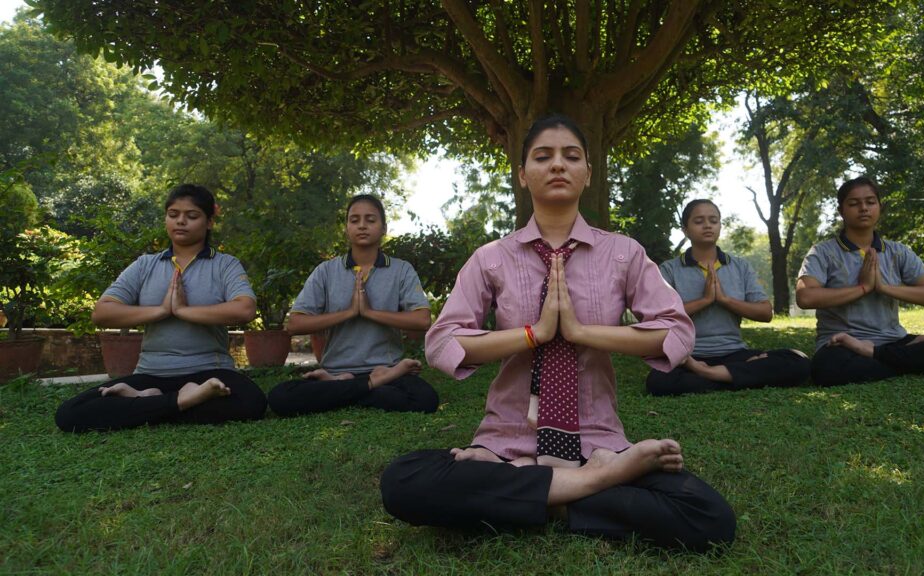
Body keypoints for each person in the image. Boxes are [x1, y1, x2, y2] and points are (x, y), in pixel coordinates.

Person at [379, 115, 736, 551]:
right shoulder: (492, 258)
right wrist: (535, 333)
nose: (557, 165)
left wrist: (584, 332)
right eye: (542, 156)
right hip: (506, 444)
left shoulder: (624, 253)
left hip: (598, 439)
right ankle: (592, 485)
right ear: (523, 174)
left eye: (572, 156)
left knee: (708, 515)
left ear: (588, 174)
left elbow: (677, 333)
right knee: (403, 479)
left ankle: (538, 497)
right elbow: (440, 343)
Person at [55, 184, 267, 432]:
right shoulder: (146, 265)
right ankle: (182, 399)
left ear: (209, 221)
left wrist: (184, 312)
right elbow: (102, 313)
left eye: (192, 216)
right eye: (173, 214)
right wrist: (162, 311)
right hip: (152, 374)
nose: (181, 222)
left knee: (252, 402)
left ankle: (149, 403)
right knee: (70, 413)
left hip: (210, 372)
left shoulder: (224, 265)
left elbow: (245, 310)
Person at [796, 176, 924, 387]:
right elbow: (806, 297)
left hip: (894, 341)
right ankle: (908, 359)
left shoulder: (898, 252)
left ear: (879, 207)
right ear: (841, 211)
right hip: (841, 344)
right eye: (854, 204)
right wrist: (863, 288)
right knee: (827, 372)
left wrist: (884, 288)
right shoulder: (823, 252)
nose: (863, 208)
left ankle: (876, 353)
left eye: (870, 202)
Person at [267, 194, 438, 416]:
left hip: (387, 370)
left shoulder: (401, 270)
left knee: (425, 399)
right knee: (280, 398)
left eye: (370, 220)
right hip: (337, 370)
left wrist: (369, 312)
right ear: (347, 227)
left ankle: (344, 387)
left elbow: (422, 320)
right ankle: (369, 384)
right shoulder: (326, 271)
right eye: (354, 220)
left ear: (384, 228)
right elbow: (295, 324)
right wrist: (349, 313)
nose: (362, 226)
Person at [646, 199, 811, 395]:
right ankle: (733, 378)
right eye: (699, 221)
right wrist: (705, 301)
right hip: (687, 356)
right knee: (658, 382)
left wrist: (725, 300)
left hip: (734, 353)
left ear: (720, 225)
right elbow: (659, 318)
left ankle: (707, 374)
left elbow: (766, 313)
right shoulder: (669, 269)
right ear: (685, 230)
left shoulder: (740, 266)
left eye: (713, 220)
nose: (707, 225)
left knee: (798, 361)